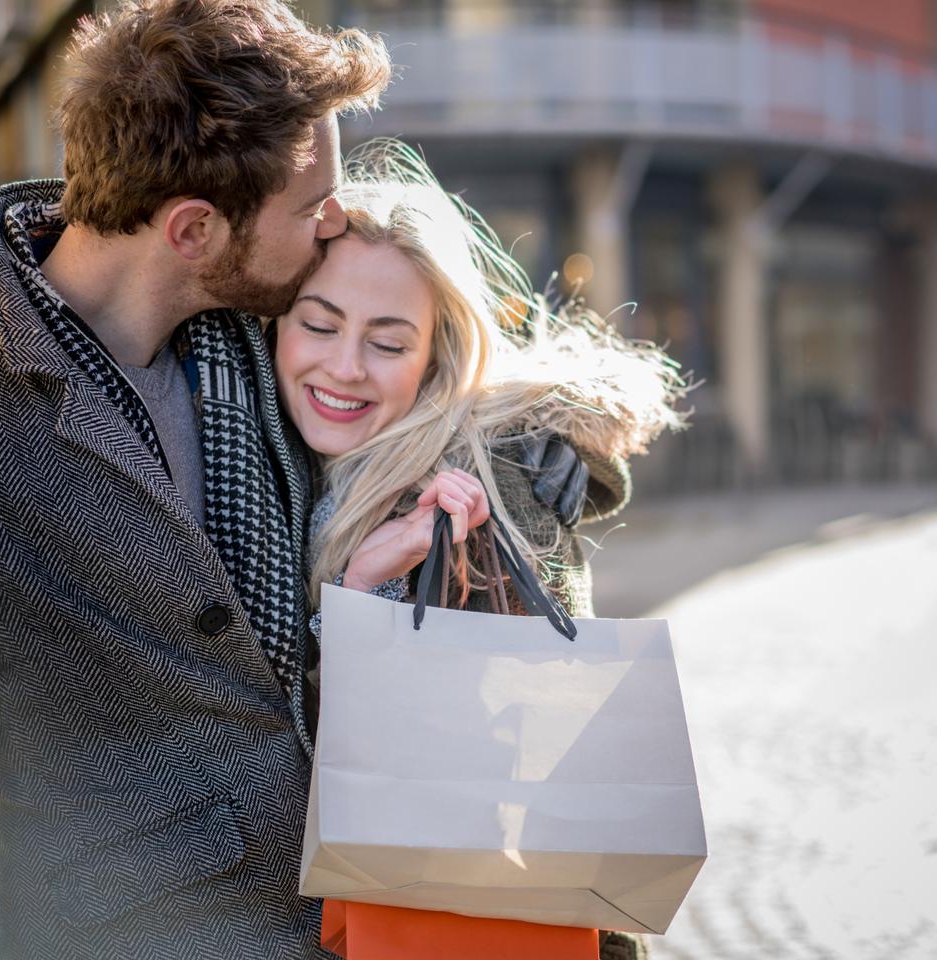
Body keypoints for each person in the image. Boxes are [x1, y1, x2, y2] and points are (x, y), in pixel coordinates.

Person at [0, 1, 396, 956]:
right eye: (311, 203)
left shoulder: (272, 320)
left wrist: (555, 446)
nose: (338, 219)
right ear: (193, 231)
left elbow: (436, 378)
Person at [272, 141, 687, 960]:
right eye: (319, 325)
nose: (344, 368)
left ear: (437, 355)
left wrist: (368, 595)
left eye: (389, 343)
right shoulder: (276, 455)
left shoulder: (493, 487)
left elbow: (535, 776)